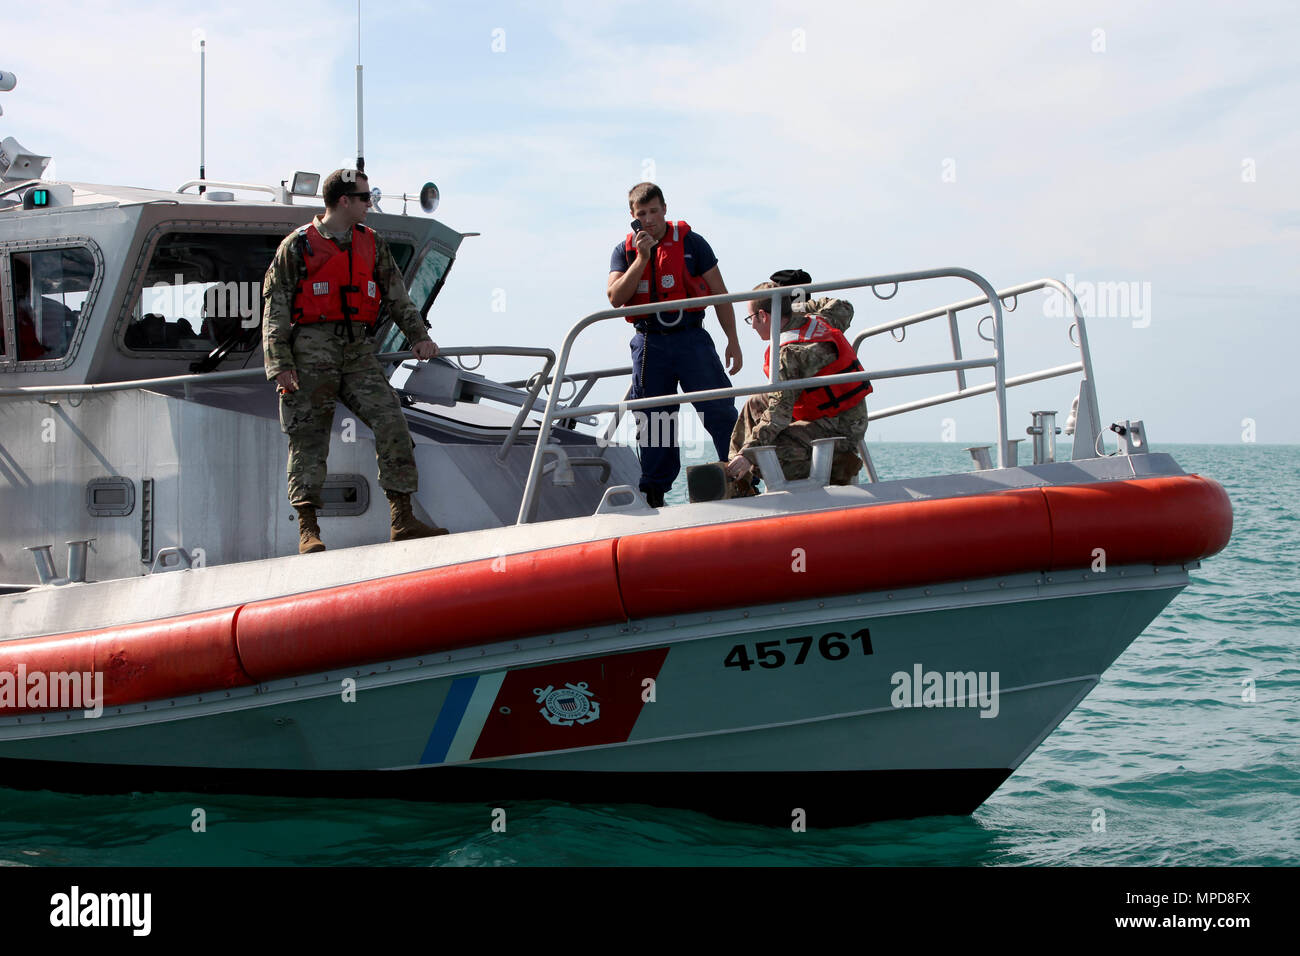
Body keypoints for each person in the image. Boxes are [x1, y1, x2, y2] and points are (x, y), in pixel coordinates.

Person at [263, 168, 447, 554]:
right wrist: (279, 361)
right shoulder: (297, 246)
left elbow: (397, 295)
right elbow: (275, 306)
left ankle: (402, 518)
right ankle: (308, 530)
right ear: (343, 201)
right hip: (311, 348)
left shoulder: (371, 243)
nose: (369, 204)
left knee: (391, 419)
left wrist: (419, 337)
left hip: (357, 348)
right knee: (308, 435)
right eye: (364, 198)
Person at [606, 182, 742, 508]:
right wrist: (642, 258)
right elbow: (615, 298)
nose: (649, 219)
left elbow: (720, 294)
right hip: (650, 342)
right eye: (642, 214)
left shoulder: (693, 243)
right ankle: (655, 494)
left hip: (692, 337)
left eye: (654, 211)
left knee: (719, 409)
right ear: (632, 216)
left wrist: (733, 341)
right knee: (653, 420)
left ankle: (741, 476)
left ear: (665, 208)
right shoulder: (623, 251)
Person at [725, 281, 870, 489]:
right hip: (838, 413)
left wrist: (750, 453)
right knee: (755, 404)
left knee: (767, 455)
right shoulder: (823, 319)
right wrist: (790, 308)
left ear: (763, 316)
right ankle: (738, 478)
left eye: (751, 319)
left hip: (840, 428)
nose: (753, 326)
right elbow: (842, 306)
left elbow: (778, 414)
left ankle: (838, 468)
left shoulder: (787, 356)